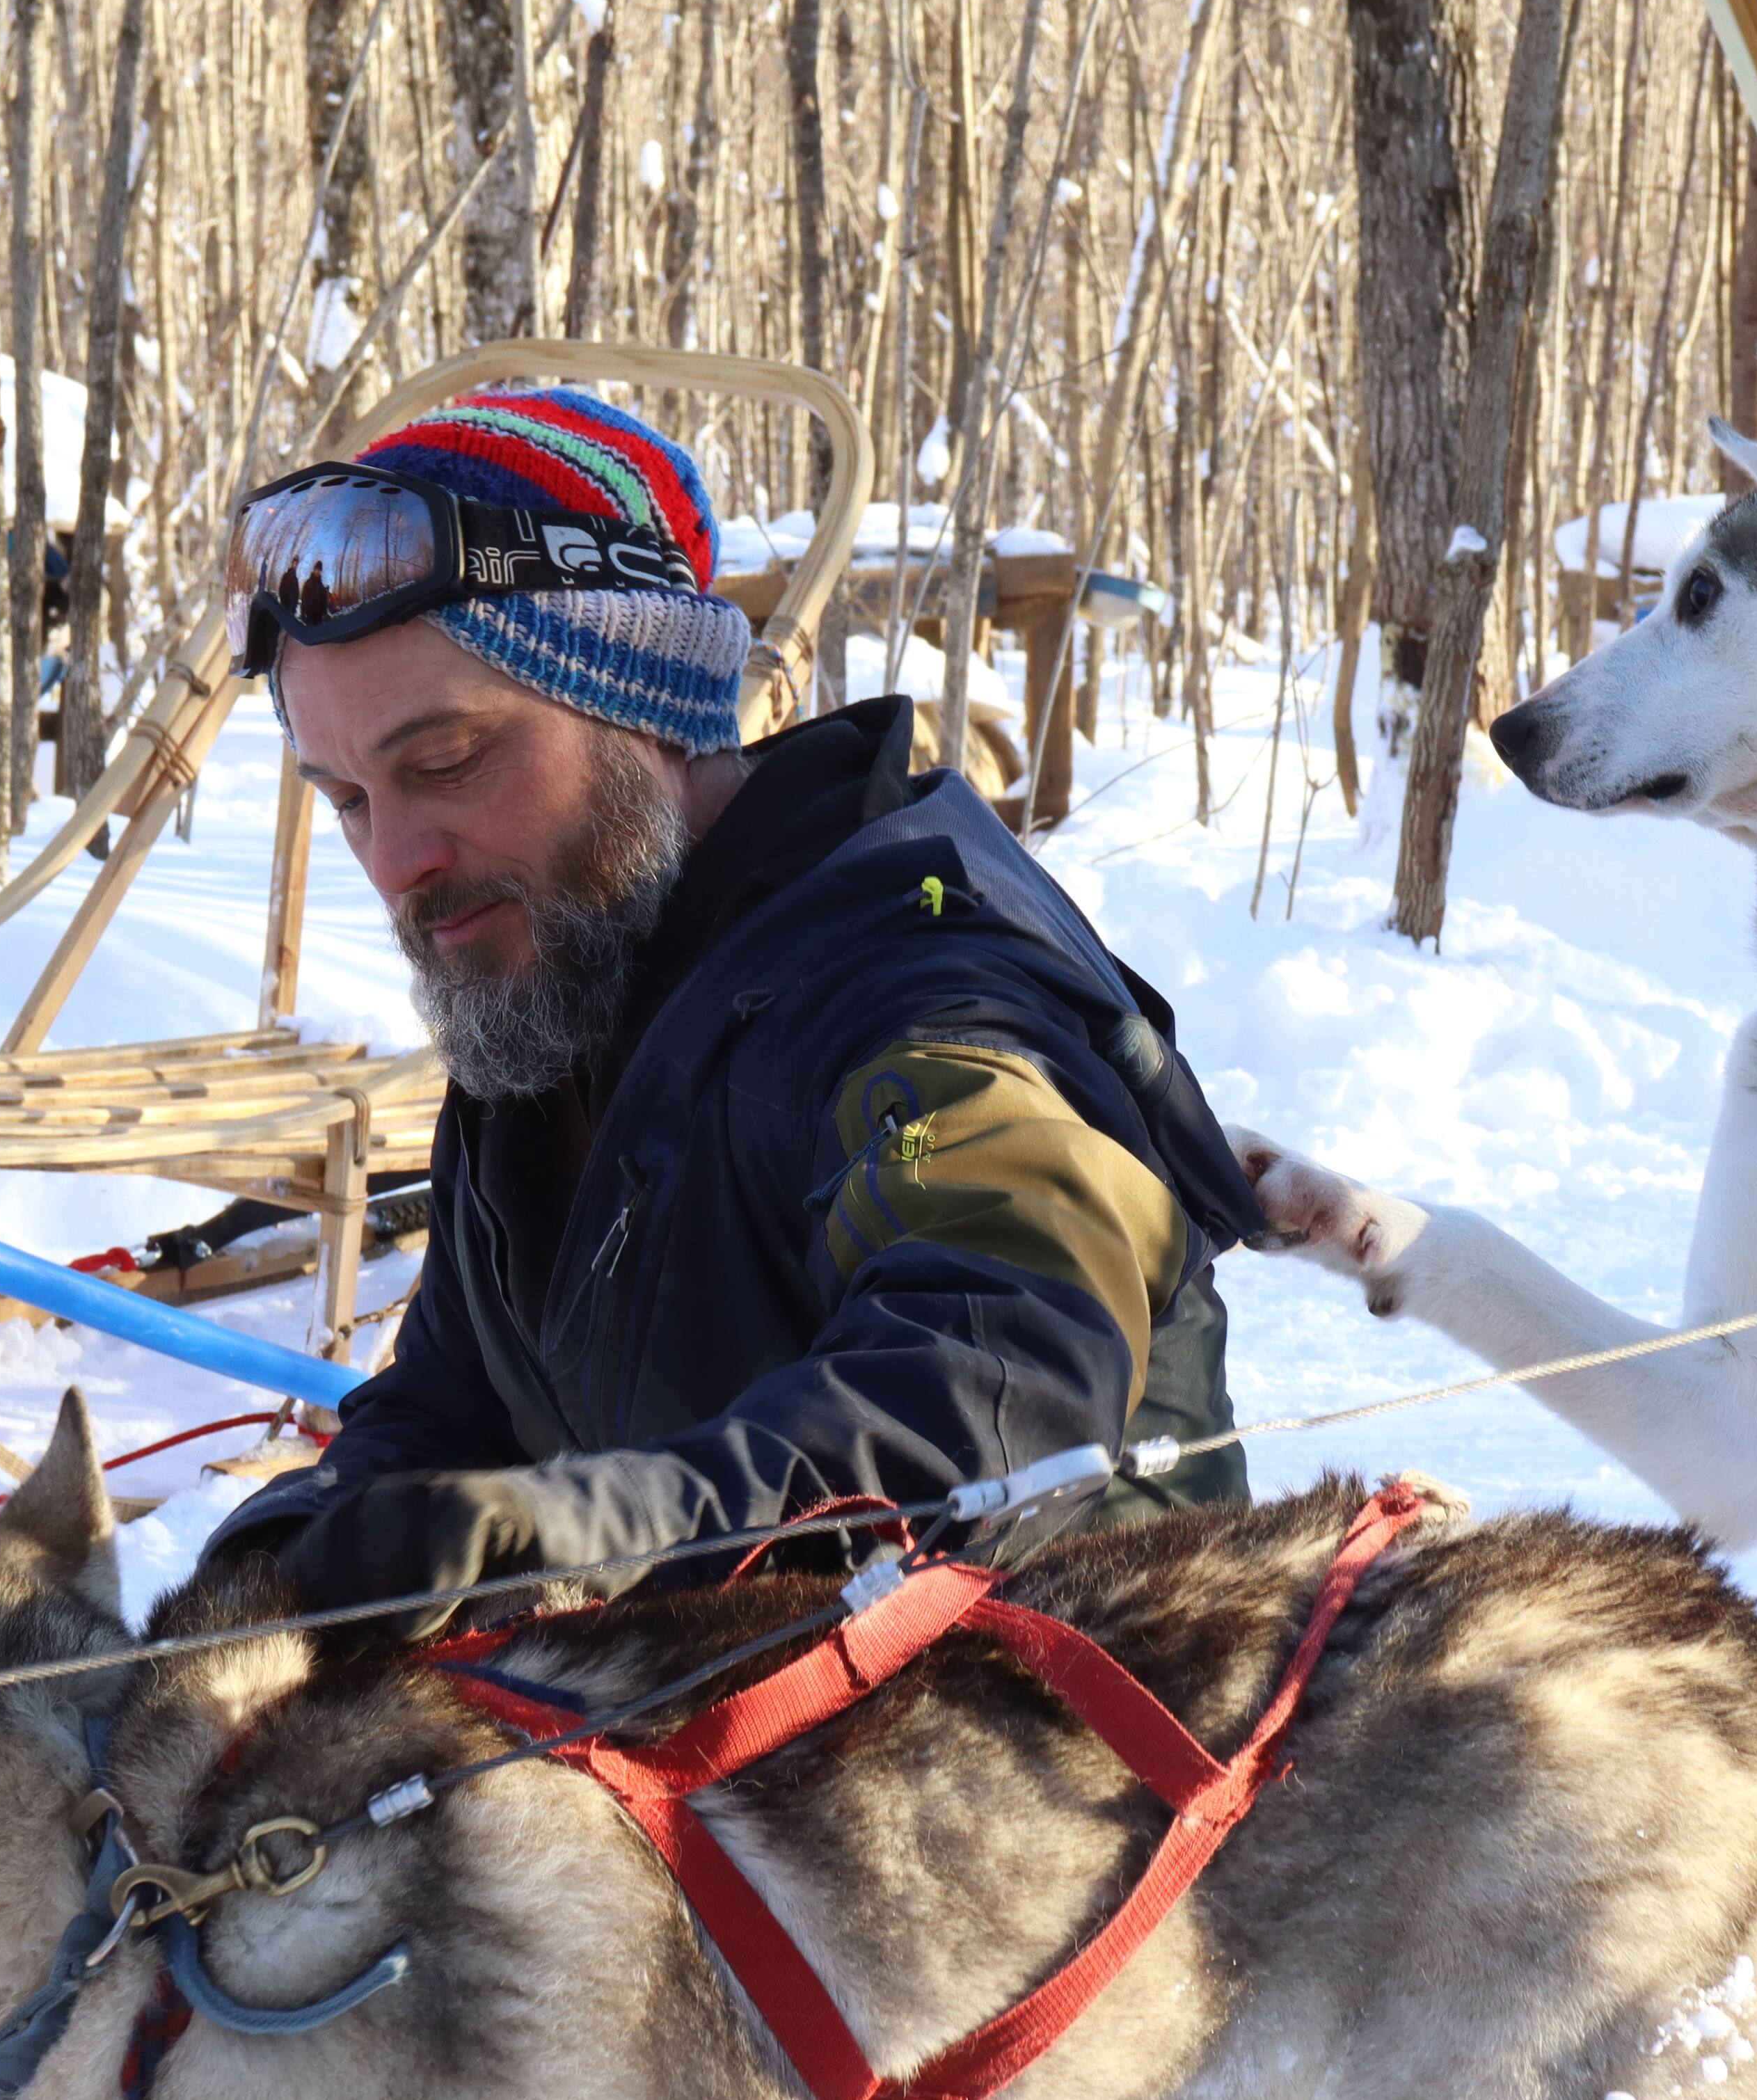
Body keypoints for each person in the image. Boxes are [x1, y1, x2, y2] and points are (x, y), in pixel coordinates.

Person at [201, 387, 1259, 1627]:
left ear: (641, 706)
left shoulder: (920, 991)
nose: (395, 861)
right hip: (764, 1770)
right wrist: (271, 1570)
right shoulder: (561, 996)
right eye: (348, 797)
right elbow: (450, 1415)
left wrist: (585, 1532)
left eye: (446, 762)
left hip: (1099, 1743)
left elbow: (999, 1360)